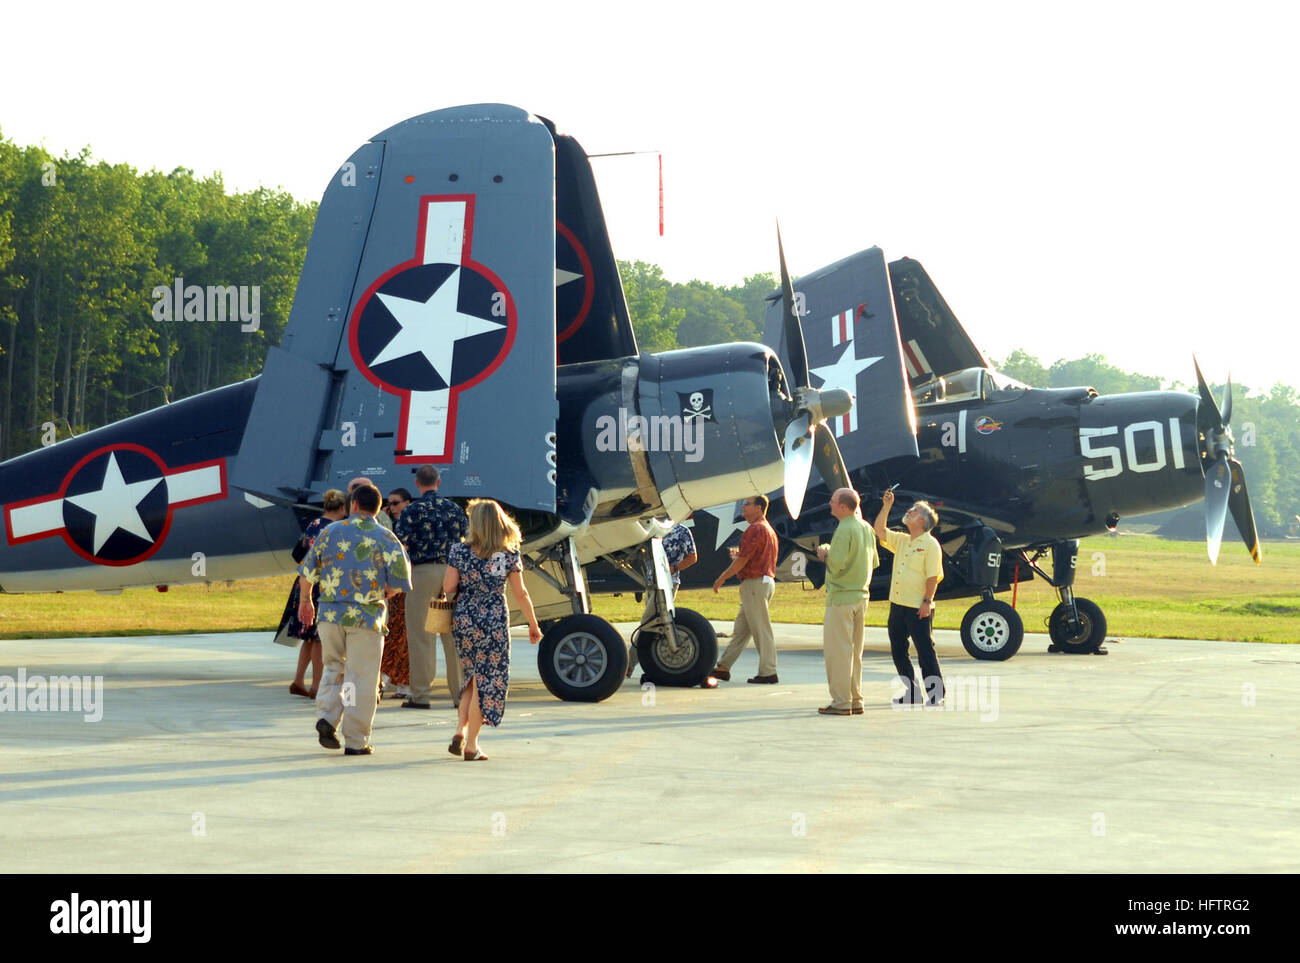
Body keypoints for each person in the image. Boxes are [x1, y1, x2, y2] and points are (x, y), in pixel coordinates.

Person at [297, 483, 413, 755]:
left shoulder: (329, 532)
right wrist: (388, 590)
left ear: (355, 505)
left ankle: (327, 716)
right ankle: (356, 739)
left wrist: (305, 602)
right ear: (376, 507)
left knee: (334, 667)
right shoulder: (386, 537)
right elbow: (401, 580)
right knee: (361, 678)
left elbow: (307, 572)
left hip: (330, 614)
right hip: (367, 618)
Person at [442, 499, 542, 761]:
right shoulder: (507, 554)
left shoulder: (459, 551)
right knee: (486, 683)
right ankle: (472, 745)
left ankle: (460, 731)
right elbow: (521, 593)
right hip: (493, 622)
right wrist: (532, 622)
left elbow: (449, 588)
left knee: (471, 678)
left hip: (464, 620)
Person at [394, 465, 469, 708]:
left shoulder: (412, 510)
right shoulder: (454, 509)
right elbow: (467, 540)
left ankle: (421, 695)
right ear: (438, 482)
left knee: (421, 636)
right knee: (452, 636)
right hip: (452, 572)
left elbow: (400, 544)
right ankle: (460, 695)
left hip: (422, 572)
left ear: (417, 484)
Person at [874, 489, 945, 706]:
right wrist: (886, 506)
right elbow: (880, 530)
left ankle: (936, 694)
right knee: (898, 650)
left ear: (922, 520)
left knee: (925, 652)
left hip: (917, 607)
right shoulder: (904, 540)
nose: (909, 511)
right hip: (898, 604)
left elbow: (933, 576)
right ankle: (912, 692)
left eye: (914, 511)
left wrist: (926, 602)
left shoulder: (931, 544)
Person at [815, 488, 877, 715]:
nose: (829, 504)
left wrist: (825, 554)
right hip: (861, 596)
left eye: (832, 501)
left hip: (841, 597)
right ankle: (856, 699)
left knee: (838, 652)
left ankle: (841, 701)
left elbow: (838, 563)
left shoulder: (844, 529)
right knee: (854, 652)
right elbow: (874, 561)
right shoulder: (866, 527)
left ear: (843, 506)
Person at [282, 489, 348, 698]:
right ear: (342, 507)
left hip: (306, 582)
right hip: (323, 585)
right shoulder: (335, 528)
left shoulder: (314, 524)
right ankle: (317, 686)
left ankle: (299, 680)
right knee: (320, 639)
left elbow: (301, 551)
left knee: (308, 637)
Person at [710, 494, 780, 683]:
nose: (743, 508)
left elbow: (743, 560)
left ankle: (768, 671)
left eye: (747, 504)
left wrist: (722, 578)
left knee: (761, 630)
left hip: (754, 584)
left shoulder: (755, 529)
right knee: (742, 629)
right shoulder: (768, 529)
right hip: (763, 583)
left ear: (759, 507)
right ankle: (723, 667)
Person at [379, 488, 414, 698]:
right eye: (389, 504)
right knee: (400, 631)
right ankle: (402, 683)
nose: (392, 508)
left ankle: (385, 677)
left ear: (407, 503)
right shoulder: (390, 524)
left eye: (396, 503)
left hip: (405, 583)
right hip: (396, 583)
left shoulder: (409, 523)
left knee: (400, 631)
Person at [641, 521, 697, 621]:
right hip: (651, 582)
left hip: (666, 582)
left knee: (648, 620)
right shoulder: (651, 528)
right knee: (657, 620)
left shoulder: (681, 531)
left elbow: (692, 557)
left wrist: (674, 568)